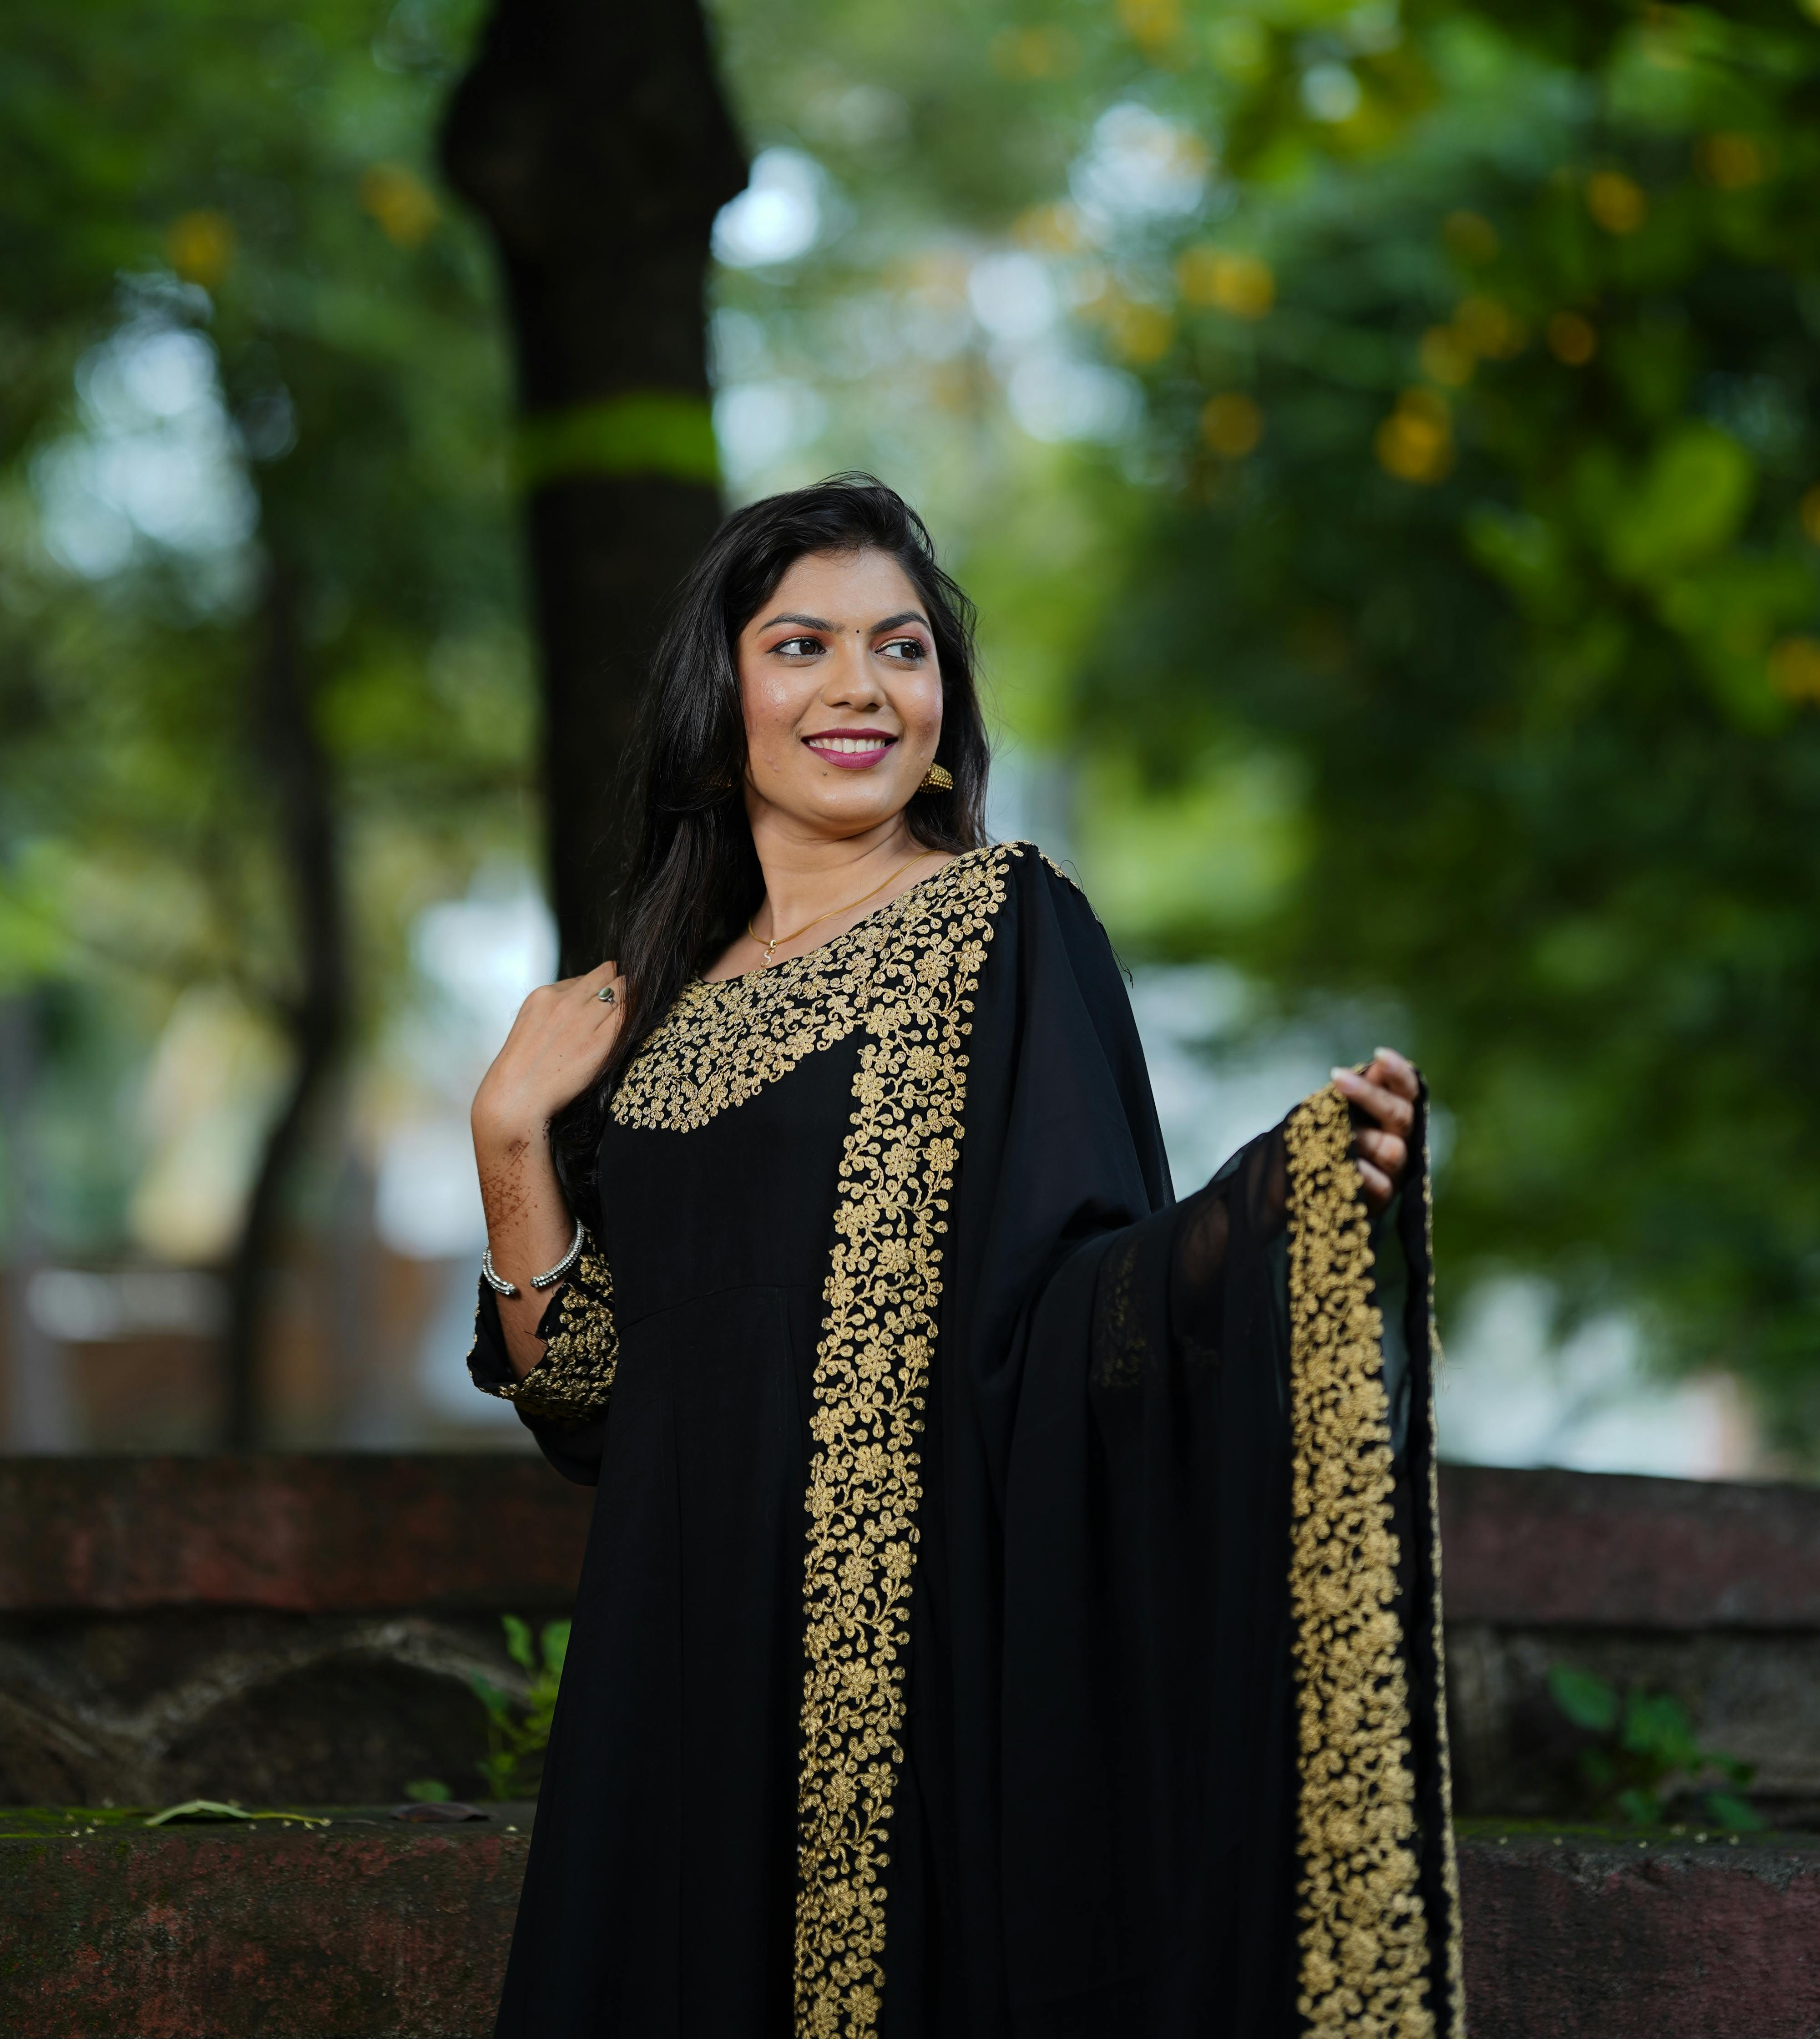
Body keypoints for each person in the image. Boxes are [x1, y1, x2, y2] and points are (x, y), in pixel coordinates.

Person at [469, 474, 1460, 2039]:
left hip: (905, 1682)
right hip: (674, 1682)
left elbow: (1080, 1304)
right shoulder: (646, 1018)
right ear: (717, 700)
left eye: (903, 649)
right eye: (802, 645)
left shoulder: (1005, 925)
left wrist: (1266, 1203)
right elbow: (589, 1404)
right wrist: (511, 1138)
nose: (860, 689)